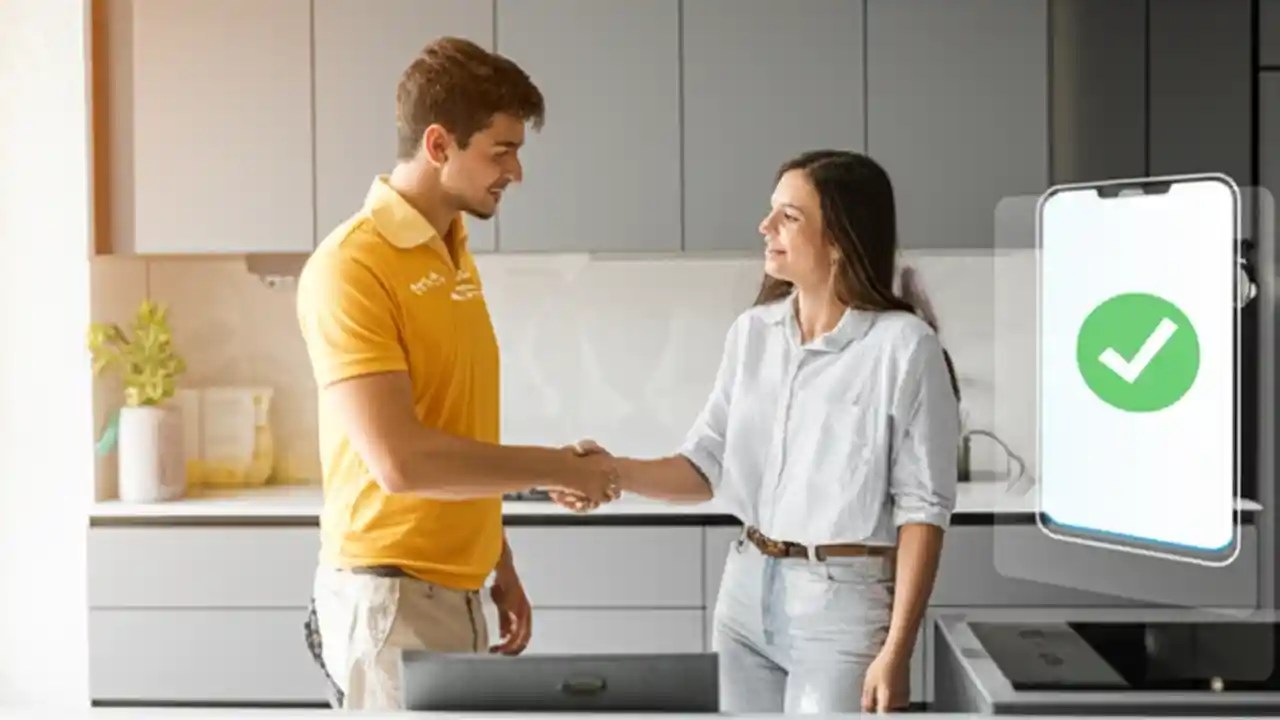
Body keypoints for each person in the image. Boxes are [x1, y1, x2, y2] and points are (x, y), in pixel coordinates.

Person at [556, 150, 960, 714]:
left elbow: (923, 510)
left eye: (789, 217)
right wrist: (611, 472)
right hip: (745, 591)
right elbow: (705, 465)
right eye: (772, 211)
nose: (765, 226)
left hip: (840, 609)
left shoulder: (903, 346)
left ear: (839, 239)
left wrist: (897, 649)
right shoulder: (752, 334)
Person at [295, 37, 620, 710]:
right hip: (389, 599)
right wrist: (557, 468)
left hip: (451, 590)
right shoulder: (351, 266)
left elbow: (455, 424)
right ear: (439, 144)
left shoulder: (452, 249)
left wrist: (497, 560)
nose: (516, 172)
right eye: (501, 151)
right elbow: (402, 462)